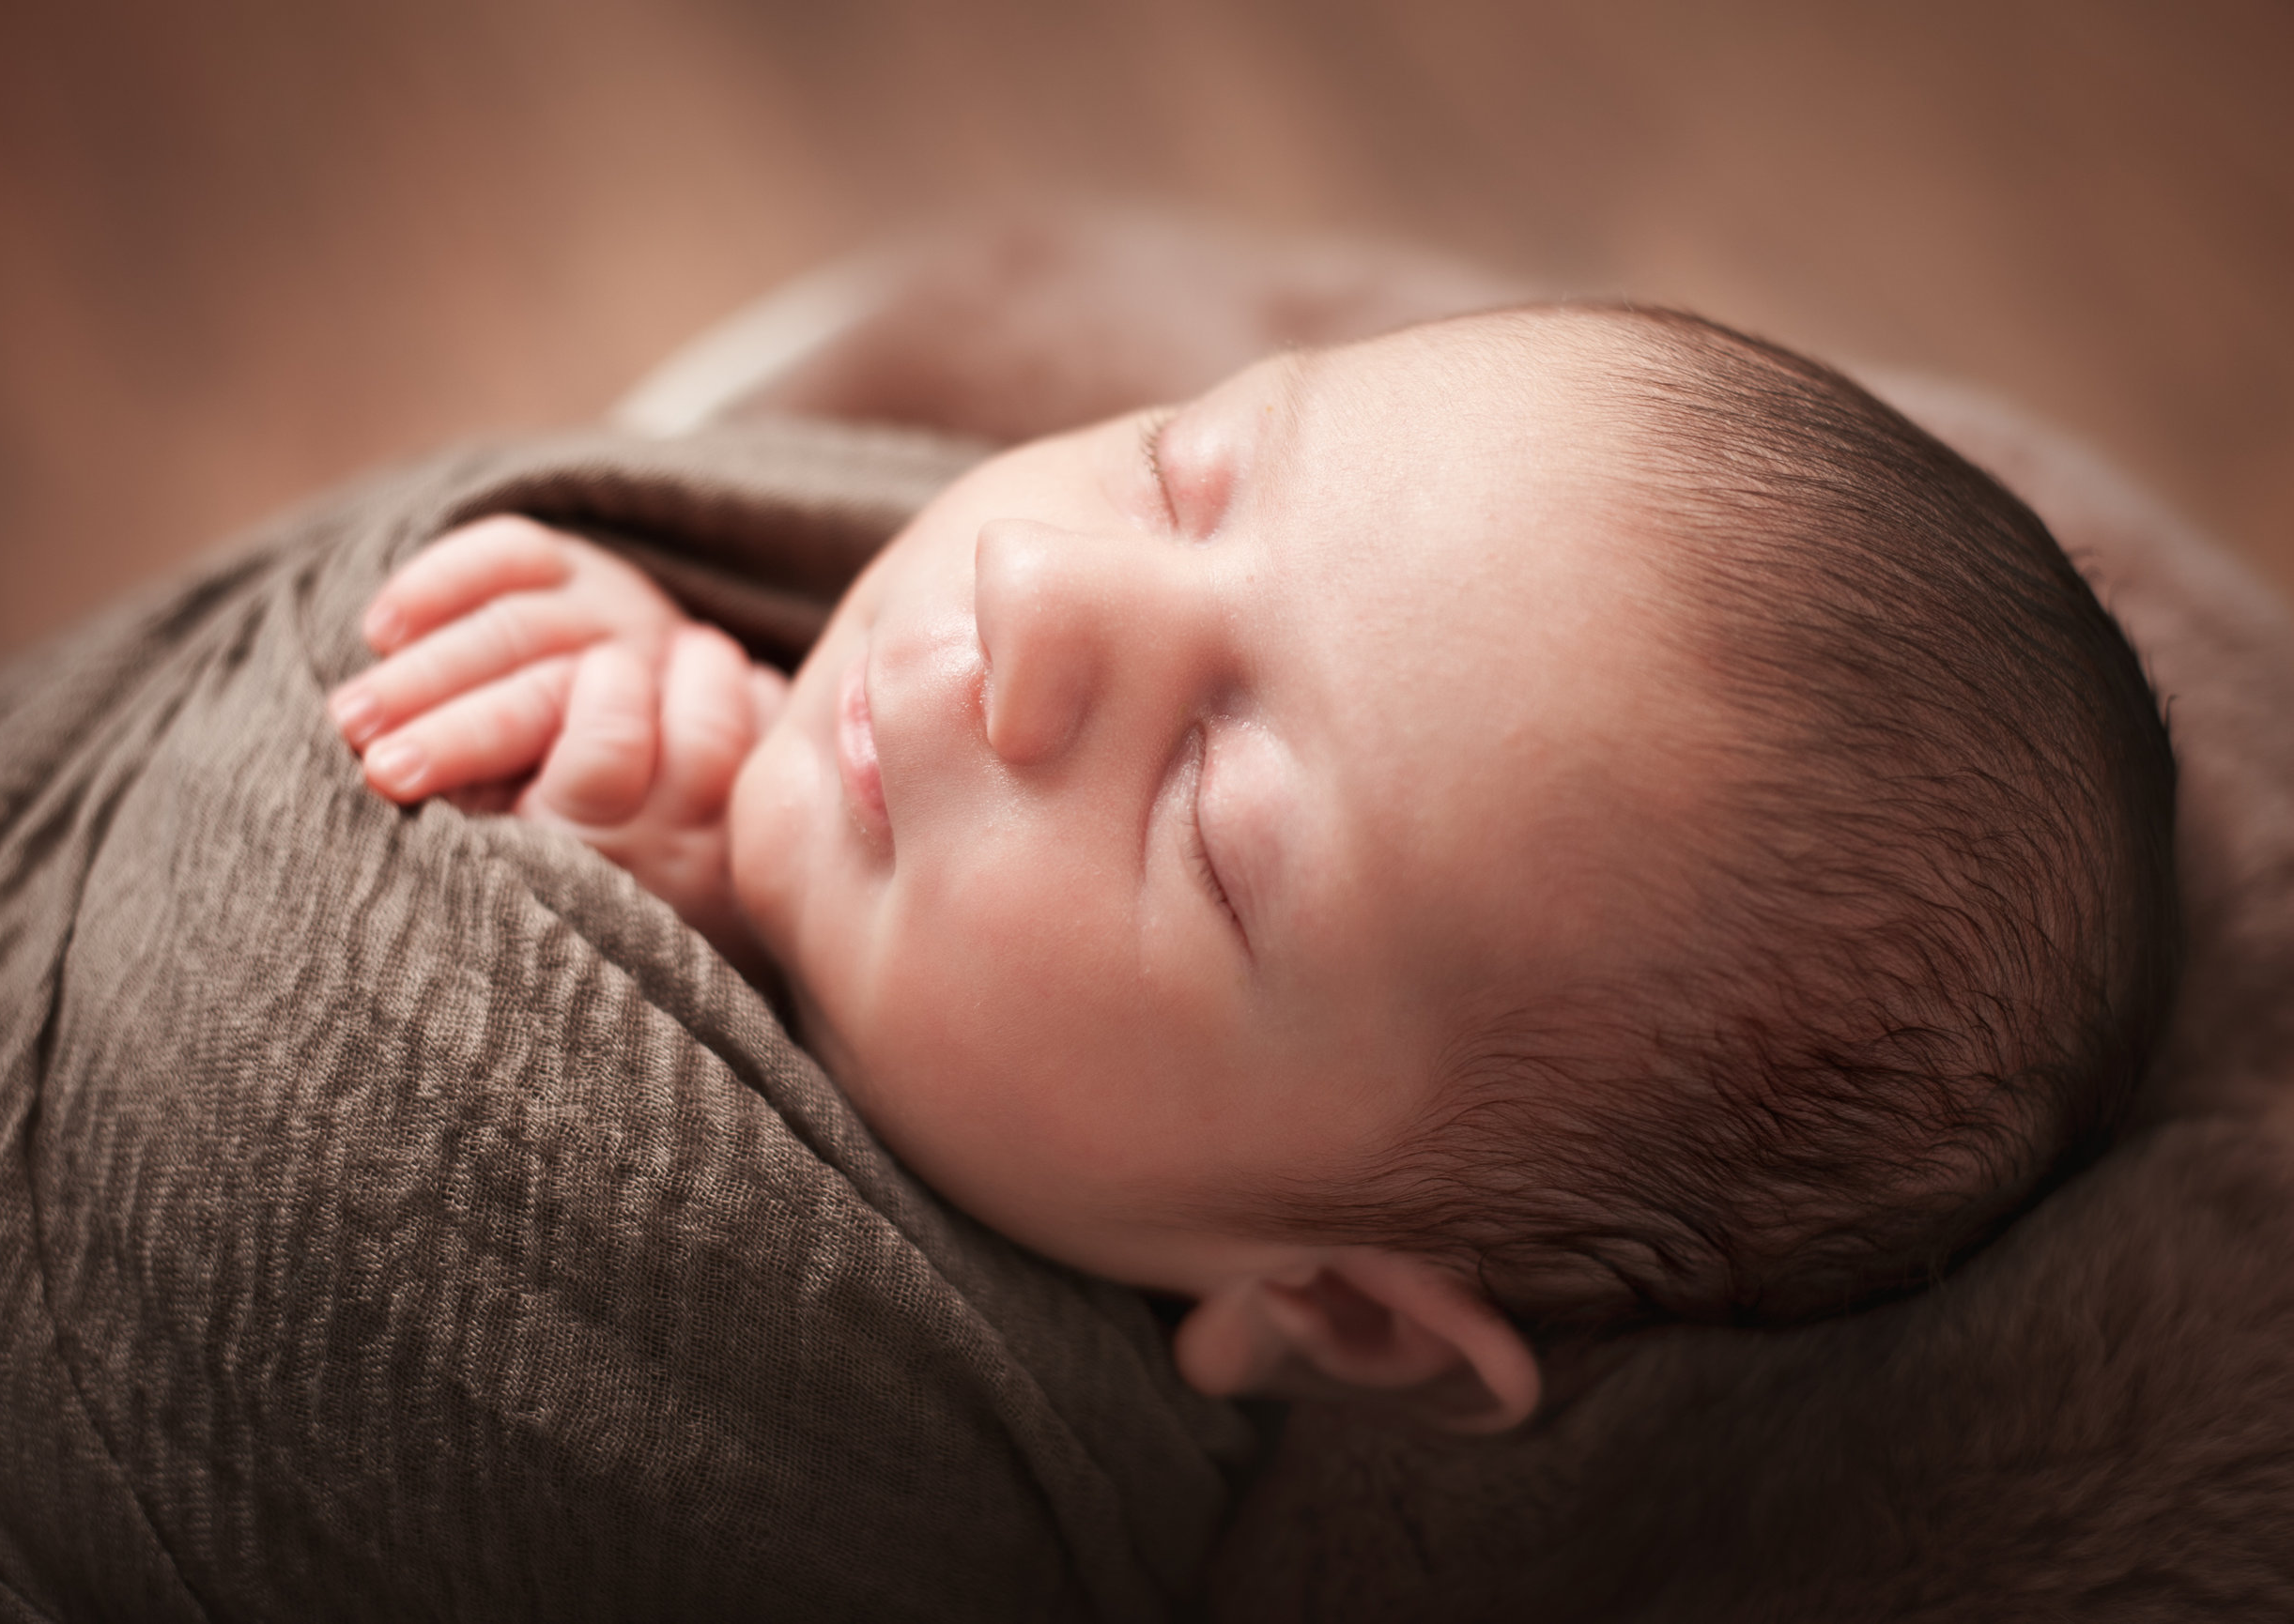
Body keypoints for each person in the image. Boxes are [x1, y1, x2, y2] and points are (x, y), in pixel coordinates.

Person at [326, 303, 2179, 1433]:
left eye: (1210, 818)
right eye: (1173, 473)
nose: (1030, 588)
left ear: (1345, 1315)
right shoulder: (784, 658)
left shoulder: (872, 1447)